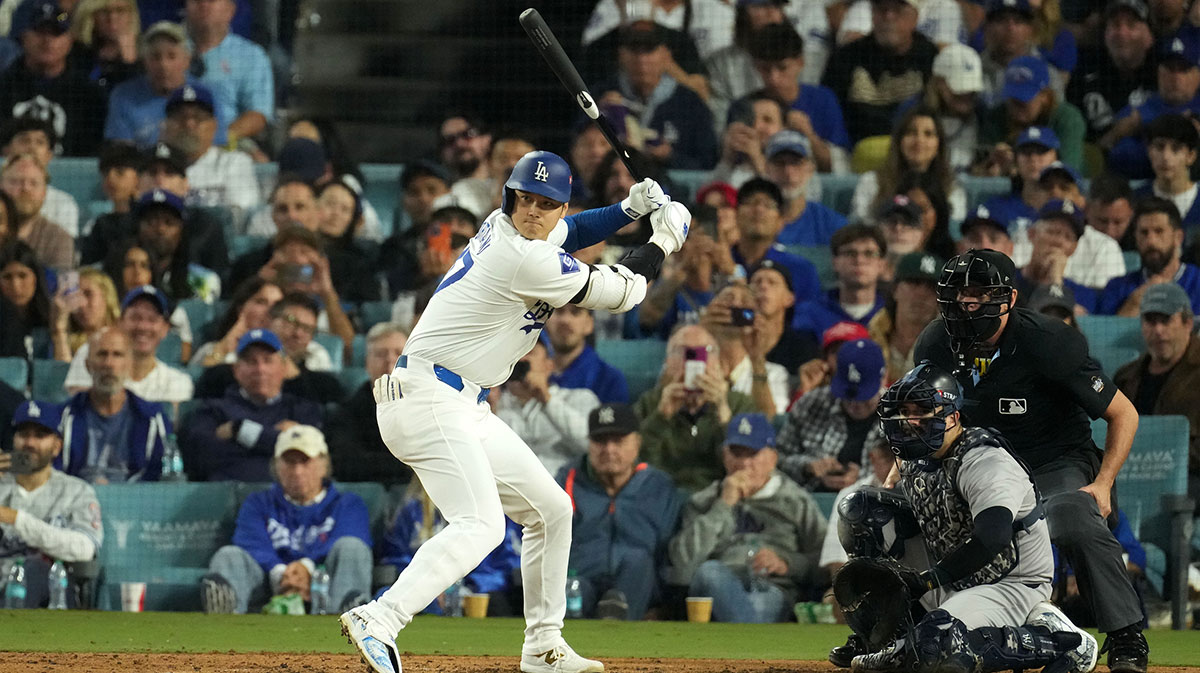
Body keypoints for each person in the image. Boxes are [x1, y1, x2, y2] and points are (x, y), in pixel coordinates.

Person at [339, 151, 687, 673]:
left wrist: (628, 208)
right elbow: (625, 292)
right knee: (480, 525)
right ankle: (381, 617)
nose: (534, 211)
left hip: (461, 400)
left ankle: (543, 646)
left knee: (552, 509)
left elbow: (567, 231)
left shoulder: (516, 233)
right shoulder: (522, 256)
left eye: (546, 203)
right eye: (526, 199)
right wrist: (664, 238)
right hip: (430, 396)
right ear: (510, 198)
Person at [913, 249, 1150, 673]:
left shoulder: (1049, 341)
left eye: (980, 292)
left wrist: (1103, 483)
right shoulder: (934, 343)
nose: (968, 303)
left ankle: (1127, 637)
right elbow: (926, 418)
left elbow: (1123, 413)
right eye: (960, 292)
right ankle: (903, 632)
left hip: (1053, 462)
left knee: (1074, 515)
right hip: (978, 469)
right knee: (899, 510)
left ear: (1009, 298)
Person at [835, 362, 1097, 673]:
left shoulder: (984, 460)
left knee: (937, 646)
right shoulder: (913, 458)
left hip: (1010, 581)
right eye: (904, 411)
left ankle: (1059, 640)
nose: (910, 421)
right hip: (955, 574)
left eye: (921, 410)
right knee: (863, 510)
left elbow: (993, 538)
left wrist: (928, 580)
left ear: (953, 416)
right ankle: (891, 639)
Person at [668, 412, 826, 623]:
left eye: (752, 454)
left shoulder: (796, 501)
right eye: (737, 453)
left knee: (759, 605)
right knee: (709, 572)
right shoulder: (704, 501)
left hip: (771, 588)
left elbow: (826, 563)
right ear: (725, 456)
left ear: (773, 458)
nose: (743, 464)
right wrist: (723, 505)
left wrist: (787, 563)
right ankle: (749, 637)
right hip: (718, 585)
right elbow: (682, 565)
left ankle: (742, 632)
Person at [200, 425, 372, 615]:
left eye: (305, 461)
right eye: (289, 462)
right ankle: (225, 623)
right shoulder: (258, 503)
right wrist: (280, 572)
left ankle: (350, 622)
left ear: (324, 465)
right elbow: (249, 542)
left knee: (352, 548)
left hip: (325, 586)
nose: (297, 471)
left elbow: (351, 537)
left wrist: (306, 568)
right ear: (276, 466)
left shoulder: (348, 503)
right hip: (269, 584)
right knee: (229, 555)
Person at [556, 402, 684, 620]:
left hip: (637, 583)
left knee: (638, 562)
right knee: (574, 589)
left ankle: (616, 618)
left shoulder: (658, 486)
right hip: (581, 578)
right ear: (589, 444)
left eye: (618, 440)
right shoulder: (568, 480)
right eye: (600, 441)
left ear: (637, 443)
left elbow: (670, 551)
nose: (609, 449)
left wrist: (664, 604)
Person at [181, 329, 324, 482]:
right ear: (236, 370)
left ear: (283, 368)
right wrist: (280, 441)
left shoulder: (302, 409)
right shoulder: (213, 410)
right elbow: (203, 458)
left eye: (268, 360)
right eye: (251, 361)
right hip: (227, 496)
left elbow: (312, 456)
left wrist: (240, 430)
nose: (260, 369)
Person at [0, 401, 103, 609]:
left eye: (40, 435)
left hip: (51, 595)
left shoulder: (77, 491)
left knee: (34, 569)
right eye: (23, 434)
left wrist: (17, 519)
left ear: (57, 446)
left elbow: (85, 548)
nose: (29, 442)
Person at [377, 480, 523, 617]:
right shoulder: (413, 511)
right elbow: (396, 557)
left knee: (498, 601)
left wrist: (467, 588)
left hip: (480, 594)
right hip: (425, 593)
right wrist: (430, 584)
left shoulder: (494, 512)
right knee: (385, 594)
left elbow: (508, 564)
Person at [1113, 283, 1200, 504]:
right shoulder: (1126, 377)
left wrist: (1165, 456)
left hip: (1188, 479)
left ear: (1188, 323)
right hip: (1130, 474)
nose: (1158, 330)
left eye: (1166, 320)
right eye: (1151, 321)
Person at [596, 22, 719, 170]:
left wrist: (670, 157)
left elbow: (708, 164)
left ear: (666, 55)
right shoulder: (601, 97)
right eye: (634, 50)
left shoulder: (690, 103)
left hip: (672, 188)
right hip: (616, 184)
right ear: (621, 55)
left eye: (649, 50)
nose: (641, 59)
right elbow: (579, 150)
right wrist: (599, 118)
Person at [57, 328, 171, 483]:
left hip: (135, 503)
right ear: (87, 365)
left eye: (117, 355)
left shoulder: (152, 418)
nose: (109, 364)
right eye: (102, 354)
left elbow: (163, 476)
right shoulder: (63, 417)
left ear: (130, 364)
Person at [777, 338, 887, 492]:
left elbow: (908, 473)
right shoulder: (810, 404)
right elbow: (775, 459)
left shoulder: (900, 416)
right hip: (810, 501)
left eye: (864, 396)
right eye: (847, 395)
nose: (856, 404)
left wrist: (863, 479)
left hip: (874, 504)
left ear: (883, 379)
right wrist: (809, 467)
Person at [0, 0, 107, 156]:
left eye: (56, 32)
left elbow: (92, 154)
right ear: (23, 37)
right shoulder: (3, 87)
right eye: (40, 32)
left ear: (69, 40)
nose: (47, 41)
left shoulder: (89, 95)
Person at [820, 0, 938, 143]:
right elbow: (828, 115)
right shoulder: (845, 58)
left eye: (897, 10)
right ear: (872, 15)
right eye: (882, 9)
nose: (888, 16)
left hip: (913, 150)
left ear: (915, 18)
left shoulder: (931, 58)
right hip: (855, 153)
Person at [104, 21, 233, 149]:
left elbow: (217, 147)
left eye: (172, 56)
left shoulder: (207, 96)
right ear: (145, 61)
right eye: (155, 57)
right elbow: (121, 153)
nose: (163, 65)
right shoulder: (124, 96)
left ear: (187, 60)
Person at [740, 23, 850, 173]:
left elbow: (840, 167)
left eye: (782, 68)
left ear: (800, 63)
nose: (774, 78)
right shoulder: (744, 107)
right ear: (756, 66)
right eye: (765, 69)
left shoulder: (823, 100)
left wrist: (810, 136)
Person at [63, 285, 193, 407]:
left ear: (165, 328)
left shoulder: (177, 383)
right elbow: (78, 410)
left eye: (152, 319)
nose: (143, 326)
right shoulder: (92, 353)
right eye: (135, 317)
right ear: (120, 322)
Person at [496, 340, 600, 478]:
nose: (521, 359)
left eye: (529, 353)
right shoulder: (493, 404)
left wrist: (547, 399)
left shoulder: (579, 398)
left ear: (549, 366)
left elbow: (590, 444)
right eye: (516, 354)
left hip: (564, 487)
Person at [851, 106, 968, 226]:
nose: (919, 140)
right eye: (911, 132)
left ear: (939, 146)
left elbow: (953, 229)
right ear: (899, 141)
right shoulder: (871, 182)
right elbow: (861, 228)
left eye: (928, 134)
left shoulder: (952, 188)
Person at [1101, 37, 1200, 179]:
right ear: (1159, 73)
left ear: (1197, 76)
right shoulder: (1139, 108)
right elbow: (1108, 152)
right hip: (1141, 188)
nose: (1175, 77)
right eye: (1170, 69)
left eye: (1183, 70)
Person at [326, 323, 411, 487]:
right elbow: (345, 464)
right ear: (367, 363)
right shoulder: (347, 412)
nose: (390, 362)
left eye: (399, 354)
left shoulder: (431, 406)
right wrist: (407, 464)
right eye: (380, 354)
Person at [160, 83, 260, 220]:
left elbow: (241, 215)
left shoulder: (235, 163)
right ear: (166, 125)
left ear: (214, 125)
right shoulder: (153, 168)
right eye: (180, 117)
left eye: (198, 118)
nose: (189, 125)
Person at [1066, 0, 1157, 141]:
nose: (1121, 33)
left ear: (1149, 37)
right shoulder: (1083, 76)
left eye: (1131, 25)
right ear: (1105, 34)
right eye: (1115, 25)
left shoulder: (1164, 74)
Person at [184, 0, 273, 143]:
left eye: (212, 1)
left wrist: (219, 139)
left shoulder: (251, 55)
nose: (204, 4)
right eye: (196, 0)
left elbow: (258, 114)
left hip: (228, 145)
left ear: (230, 10)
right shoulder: (169, 50)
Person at [699, 280, 791, 416]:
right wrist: (699, 334)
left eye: (745, 303)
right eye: (727, 299)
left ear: (756, 316)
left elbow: (769, 422)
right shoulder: (694, 361)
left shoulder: (775, 374)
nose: (735, 305)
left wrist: (757, 359)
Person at [979, 55, 1086, 171]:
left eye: (1023, 101)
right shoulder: (998, 116)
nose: (1016, 108)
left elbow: (1068, 170)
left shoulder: (1066, 118)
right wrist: (991, 163)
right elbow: (980, 166)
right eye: (1012, 100)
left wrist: (1015, 166)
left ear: (1044, 96)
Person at [1098, 197, 1200, 316]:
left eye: (1159, 231)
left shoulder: (1197, 282)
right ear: (1135, 237)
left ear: (1178, 237)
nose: (1151, 241)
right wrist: (1134, 303)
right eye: (1144, 233)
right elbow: (1105, 333)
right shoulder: (1117, 287)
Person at [729, 178, 821, 306]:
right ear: (736, 215)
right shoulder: (719, 261)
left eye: (768, 205)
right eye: (750, 203)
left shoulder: (801, 269)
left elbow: (808, 318)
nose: (758, 210)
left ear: (781, 222)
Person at [793, 225, 888, 339]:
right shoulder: (809, 314)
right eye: (850, 253)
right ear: (835, 262)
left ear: (882, 264)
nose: (859, 260)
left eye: (869, 254)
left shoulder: (891, 314)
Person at [133, 188, 221, 303]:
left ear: (181, 231)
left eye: (169, 222)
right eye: (151, 222)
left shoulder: (204, 281)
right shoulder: (120, 274)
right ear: (138, 228)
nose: (160, 229)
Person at [908, 44, 985, 174]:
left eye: (971, 89)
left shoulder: (982, 113)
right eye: (960, 90)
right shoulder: (912, 112)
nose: (966, 95)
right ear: (938, 82)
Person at [869, 251, 943, 383]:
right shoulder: (868, 338)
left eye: (932, 287)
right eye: (914, 283)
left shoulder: (950, 348)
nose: (922, 294)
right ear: (895, 289)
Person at [763, 130, 845, 246]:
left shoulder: (832, 225)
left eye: (796, 163)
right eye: (780, 163)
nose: (788, 172)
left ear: (811, 168)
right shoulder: (753, 220)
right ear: (766, 168)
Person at [0, 116, 79, 237]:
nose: (32, 148)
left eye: (40, 142)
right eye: (24, 140)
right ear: (6, 150)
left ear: (49, 155)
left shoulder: (63, 204)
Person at [545, 304, 629, 404]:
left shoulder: (610, 380)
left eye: (576, 312)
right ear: (545, 319)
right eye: (559, 310)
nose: (565, 320)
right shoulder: (527, 370)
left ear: (589, 324)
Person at [1, 153, 72, 271]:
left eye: (33, 183)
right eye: (15, 182)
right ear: (1, 187)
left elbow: (62, 286)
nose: (25, 189)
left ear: (44, 193)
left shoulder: (58, 239)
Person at [190, 277, 282, 367]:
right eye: (261, 302)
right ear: (241, 309)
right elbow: (199, 377)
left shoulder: (283, 355)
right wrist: (225, 347)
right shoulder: (212, 348)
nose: (269, 310)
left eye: (276, 305)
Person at [749, 259, 816, 375]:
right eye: (757, 282)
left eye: (772, 282)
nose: (763, 286)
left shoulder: (803, 348)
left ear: (789, 299)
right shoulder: (734, 340)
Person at [1134, 113, 1200, 228]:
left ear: (1191, 156)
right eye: (1159, 147)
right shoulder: (1134, 201)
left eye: (1175, 149)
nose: (1165, 157)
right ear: (1149, 152)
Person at [67, 0, 140, 92]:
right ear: (91, 15)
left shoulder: (148, 53)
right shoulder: (75, 54)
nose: (112, 18)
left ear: (131, 15)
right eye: (104, 11)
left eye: (120, 10)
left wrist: (130, 64)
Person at [49, 267, 118, 362]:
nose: (81, 304)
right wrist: (59, 329)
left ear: (107, 296)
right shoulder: (65, 342)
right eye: (75, 296)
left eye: (88, 294)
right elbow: (64, 374)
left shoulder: (126, 338)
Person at [0, 239, 51, 357]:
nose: (15, 286)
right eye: (7, 277)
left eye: (22, 276)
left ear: (35, 278)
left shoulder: (51, 318)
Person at [1088, 173, 1138, 251]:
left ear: (1131, 215)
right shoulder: (1070, 238)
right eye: (1102, 221)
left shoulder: (1143, 241)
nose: (1109, 232)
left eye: (1118, 222)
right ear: (1087, 211)